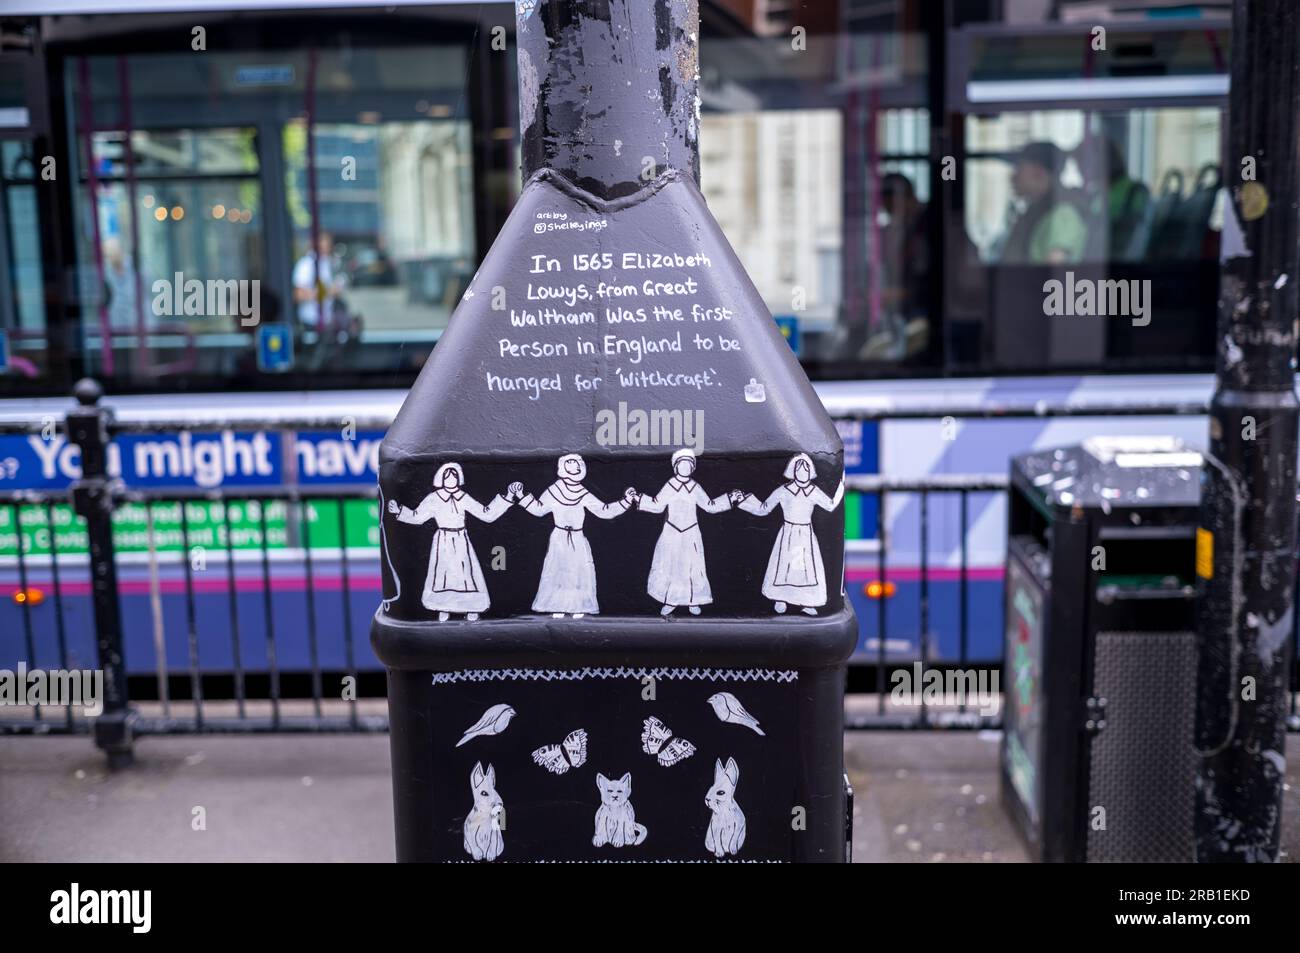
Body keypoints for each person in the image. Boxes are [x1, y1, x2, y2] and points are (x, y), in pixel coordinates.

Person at [387, 462, 514, 621]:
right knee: (443, 576)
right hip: (443, 541)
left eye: (454, 475)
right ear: (441, 478)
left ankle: (471, 607)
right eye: (447, 476)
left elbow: (485, 513)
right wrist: (399, 511)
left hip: (461, 540)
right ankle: (443, 607)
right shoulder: (434, 498)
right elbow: (417, 516)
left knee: (466, 575)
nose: (451, 478)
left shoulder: (463, 497)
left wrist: (507, 498)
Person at [512, 455, 635, 618]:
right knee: (557, 570)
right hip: (559, 536)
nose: (573, 466)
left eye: (576, 463)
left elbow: (603, 510)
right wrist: (521, 495)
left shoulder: (583, 492)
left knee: (579, 572)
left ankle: (579, 606)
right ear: (563, 467)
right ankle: (558, 605)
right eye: (569, 463)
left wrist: (626, 501)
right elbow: (539, 509)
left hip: (577, 537)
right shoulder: (554, 489)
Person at [733, 454, 845, 615]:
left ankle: (808, 601)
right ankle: (781, 598)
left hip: (806, 534)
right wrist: (744, 501)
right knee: (784, 568)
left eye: (805, 469)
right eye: (799, 469)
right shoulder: (784, 491)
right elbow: (764, 508)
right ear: (793, 471)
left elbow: (830, 505)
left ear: (810, 472)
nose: (802, 472)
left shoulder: (813, 491)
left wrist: (841, 486)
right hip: (788, 533)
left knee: (806, 570)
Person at [631, 449, 732, 616]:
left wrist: (729, 499)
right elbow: (657, 505)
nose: (685, 468)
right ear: (675, 466)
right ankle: (671, 600)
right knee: (671, 566)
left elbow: (709, 506)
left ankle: (693, 600)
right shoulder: (670, 485)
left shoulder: (695, 487)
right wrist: (638, 498)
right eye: (681, 464)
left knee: (693, 567)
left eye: (688, 465)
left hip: (691, 532)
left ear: (692, 468)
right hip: (672, 532)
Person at [997, 141, 1088, 265]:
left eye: (1019, 168)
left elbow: (1053, 276)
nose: (1013, 176)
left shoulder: (1062, 216)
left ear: (1038, 172)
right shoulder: (1036, 212)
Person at [292, 231, 344, 331]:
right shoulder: (306, 264)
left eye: (328, 241)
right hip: (311, 321)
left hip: (327, 321)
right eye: (323, 241)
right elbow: (298, 294)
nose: (327, 245)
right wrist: (328, 291)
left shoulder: (328, 263)